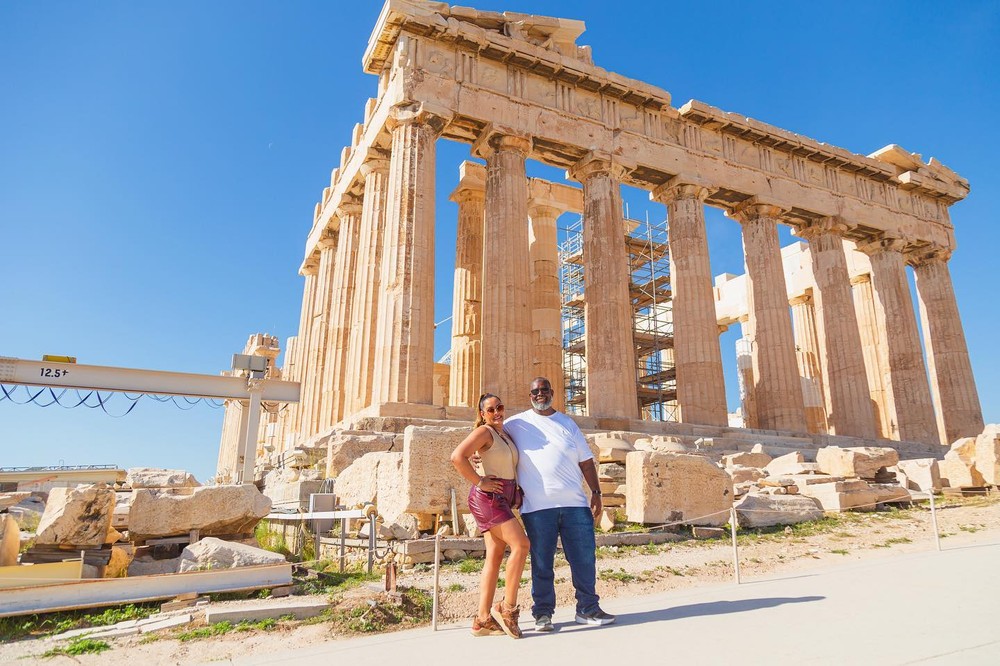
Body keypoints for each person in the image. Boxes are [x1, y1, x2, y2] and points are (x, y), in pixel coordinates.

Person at [504, 377, 616, 631]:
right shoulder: (515, 423)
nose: (539, 394)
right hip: (536, 507)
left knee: (584, 559)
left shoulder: (567, 423)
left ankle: (587, 608)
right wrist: (477, 456)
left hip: (575, 505)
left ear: (552, 393)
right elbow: (492, 438)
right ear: (529, 395)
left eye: (544, 390)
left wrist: (596, 492)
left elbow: (586, 462)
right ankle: (543, 614)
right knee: (542, 562)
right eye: (535, 391)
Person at [450, 392, 530, 639]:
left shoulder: (503, 434)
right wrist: (479, 481)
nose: (497, 412)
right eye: (491, 409)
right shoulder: (484, 431)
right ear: (482, 414)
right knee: (521, 545)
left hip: (502, 498)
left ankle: (482, 619)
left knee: (494, 556)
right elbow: (457, 457)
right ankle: (507, 609)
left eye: (500, 407)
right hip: (488, 499)